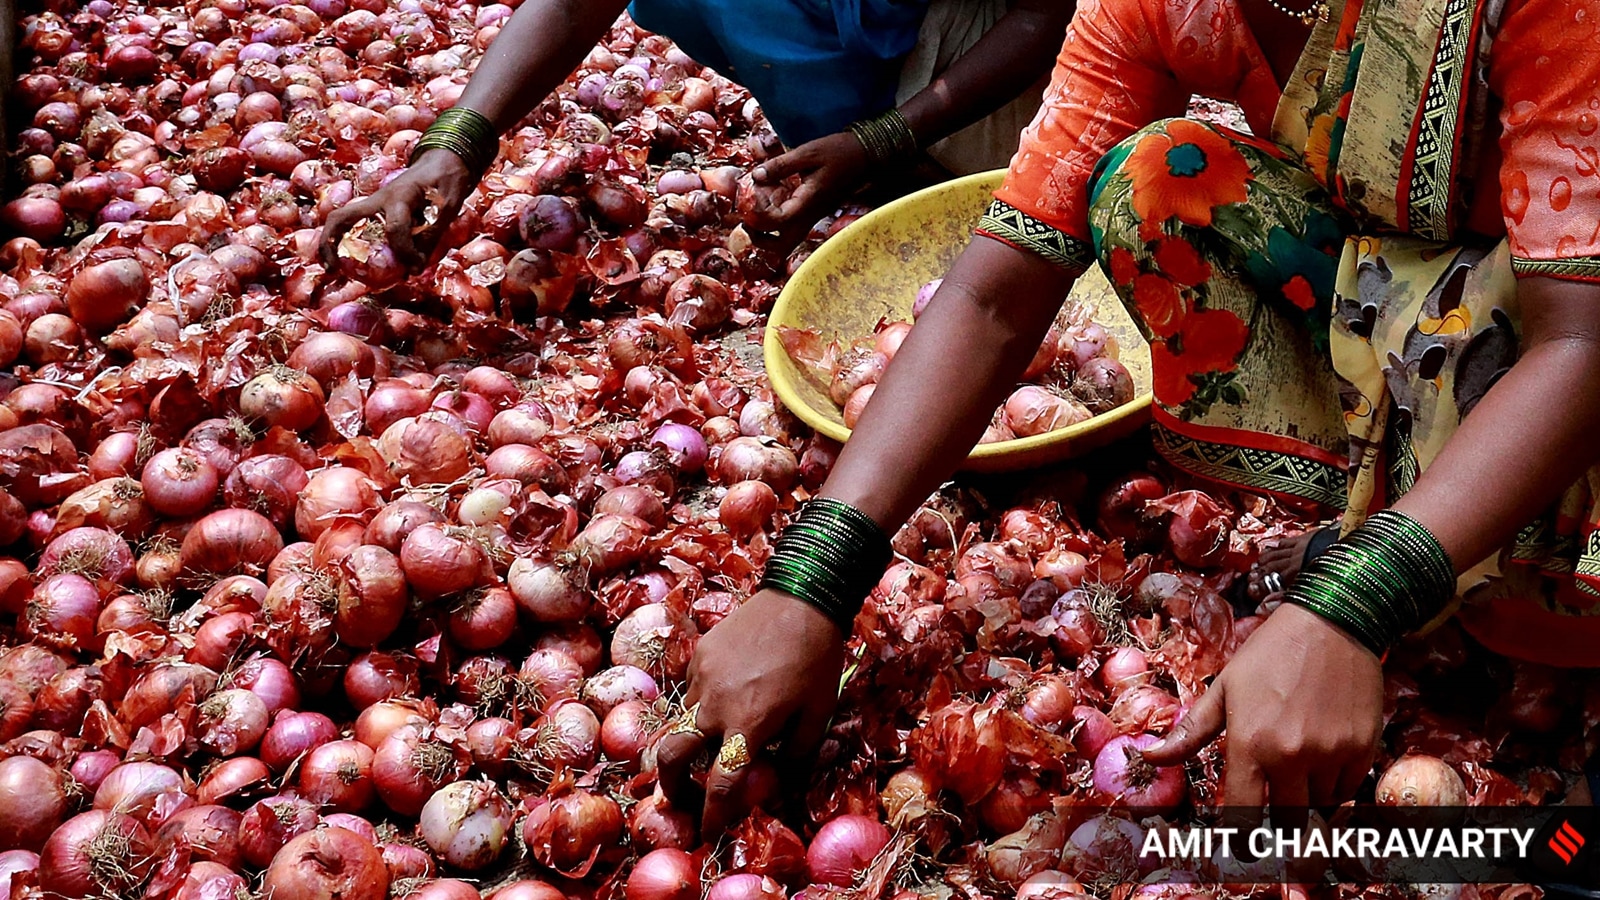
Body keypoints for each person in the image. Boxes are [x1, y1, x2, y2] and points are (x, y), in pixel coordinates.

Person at [654, 0, 1600, 841]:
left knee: (1516, 313)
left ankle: (1507, 600)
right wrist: (810, 581)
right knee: (1161, 184)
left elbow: (1581, 345)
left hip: (1568, 317)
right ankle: (1411, 548)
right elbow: (996, 292)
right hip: (1440, 293)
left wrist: (1353, 609)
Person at [317, 0, 1071, 267]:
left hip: (1013, 64)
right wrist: (454, 144)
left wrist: (881, 140)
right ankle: (856, 140)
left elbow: (1043, 18)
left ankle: (897, 154)